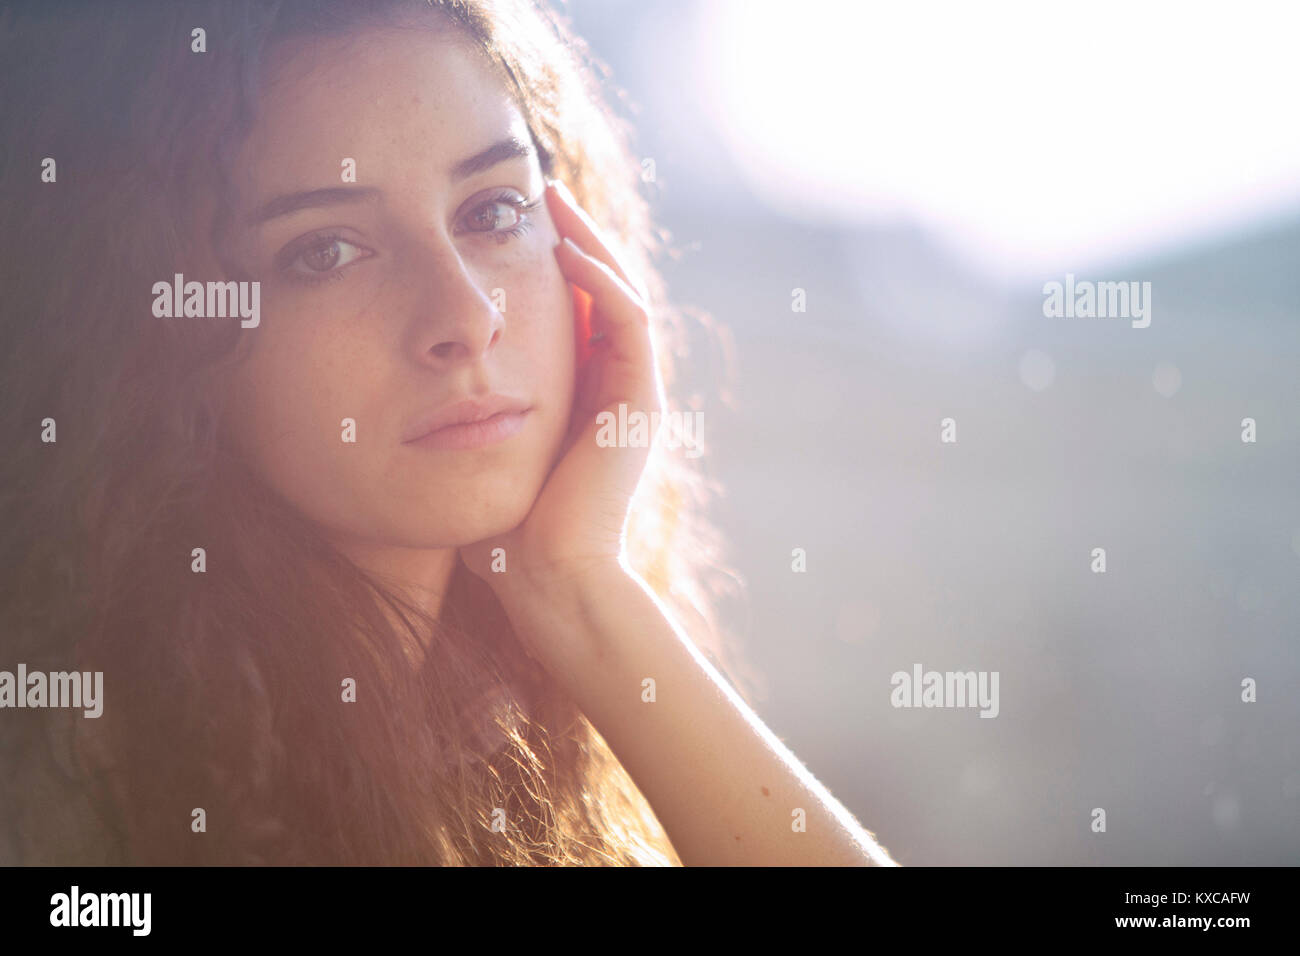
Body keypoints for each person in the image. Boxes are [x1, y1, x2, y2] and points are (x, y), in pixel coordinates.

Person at [0, 0, 896, 867]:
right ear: (159, 335)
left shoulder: (502, 737)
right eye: (324, 251)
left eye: (493, 212)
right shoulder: (78, 785)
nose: (466, 315)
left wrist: (580, 593)